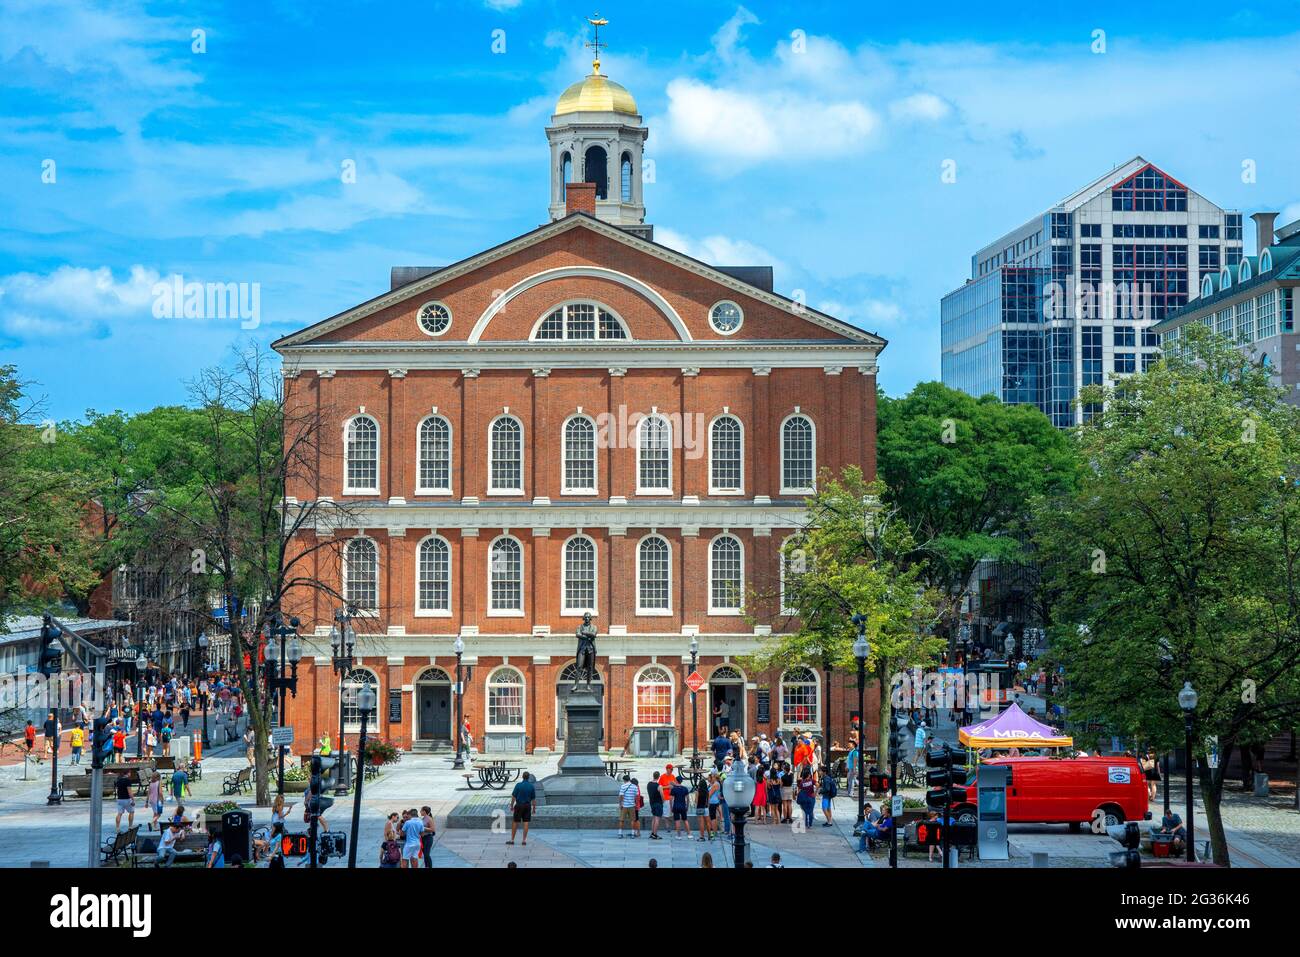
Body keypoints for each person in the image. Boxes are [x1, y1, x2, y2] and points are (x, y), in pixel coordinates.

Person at [508, 770, 536, 846]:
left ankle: (512, 840)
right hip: (527, 806)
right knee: (526, 822)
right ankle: (524, 840)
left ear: (522, 777)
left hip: (519, 805)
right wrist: (534, 808)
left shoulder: (518, 785)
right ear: (528, 777)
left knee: (515, 822)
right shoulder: (531, 786)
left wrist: (511, 805)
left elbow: (513, 797)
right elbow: (533, 799)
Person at [617, 773, 639, 839]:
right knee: (632, 820)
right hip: (632, 805)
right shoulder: (635, 787)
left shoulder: (623, 786)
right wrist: (636, 804)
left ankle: (620, 833)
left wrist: (620, 804)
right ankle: (632, 834)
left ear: (624, 780)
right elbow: (637, 796)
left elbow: (621, 796)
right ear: (629, 779)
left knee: (621, 820)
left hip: (624, 805)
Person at [646, 771, 664, 840]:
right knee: (657, 819)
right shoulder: (659, 786)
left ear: (653, 776)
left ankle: (652, 833)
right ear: (659, 777)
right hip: (658, 803)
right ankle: (655, 834)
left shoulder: (649, 784)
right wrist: (663, 802)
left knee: (653, 818)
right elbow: (662, 796)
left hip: (652, 803)